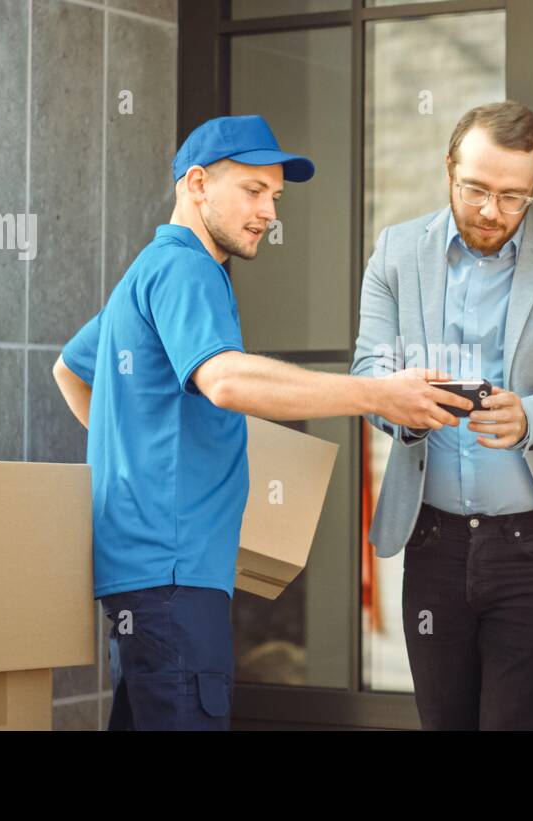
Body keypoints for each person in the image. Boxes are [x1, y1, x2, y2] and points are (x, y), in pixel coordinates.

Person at [53, 114, 472, 731]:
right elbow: (224, 380)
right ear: (196, 184)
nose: (269, 211)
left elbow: (70, 370)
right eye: (252, 190)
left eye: (274, 196)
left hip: (144, 574)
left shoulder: (143, 273)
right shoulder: (187, 268)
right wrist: (379, 395)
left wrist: (139, 465)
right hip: (176, 574)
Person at [351, 101, 533, 730]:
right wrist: (403, 406)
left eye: (513, 197)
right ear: (448, 168)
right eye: (476, 188)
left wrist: (529, 416)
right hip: (432, 542)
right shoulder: (397, 251)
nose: (491, 211)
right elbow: (367, 372)